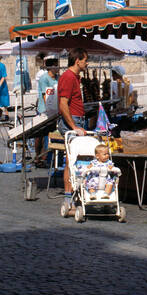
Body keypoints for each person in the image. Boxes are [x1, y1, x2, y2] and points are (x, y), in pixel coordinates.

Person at [58, 48, 90, 207]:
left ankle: (77, 192)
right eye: (85, 60)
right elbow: (63, 104)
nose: (87, 63)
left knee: (77, 159)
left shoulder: (75, 77)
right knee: (71, 160)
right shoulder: (68, 77)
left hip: (78, 120)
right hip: (72, 122)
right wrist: (73, 126)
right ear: (77, 61)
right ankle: (68, 196)